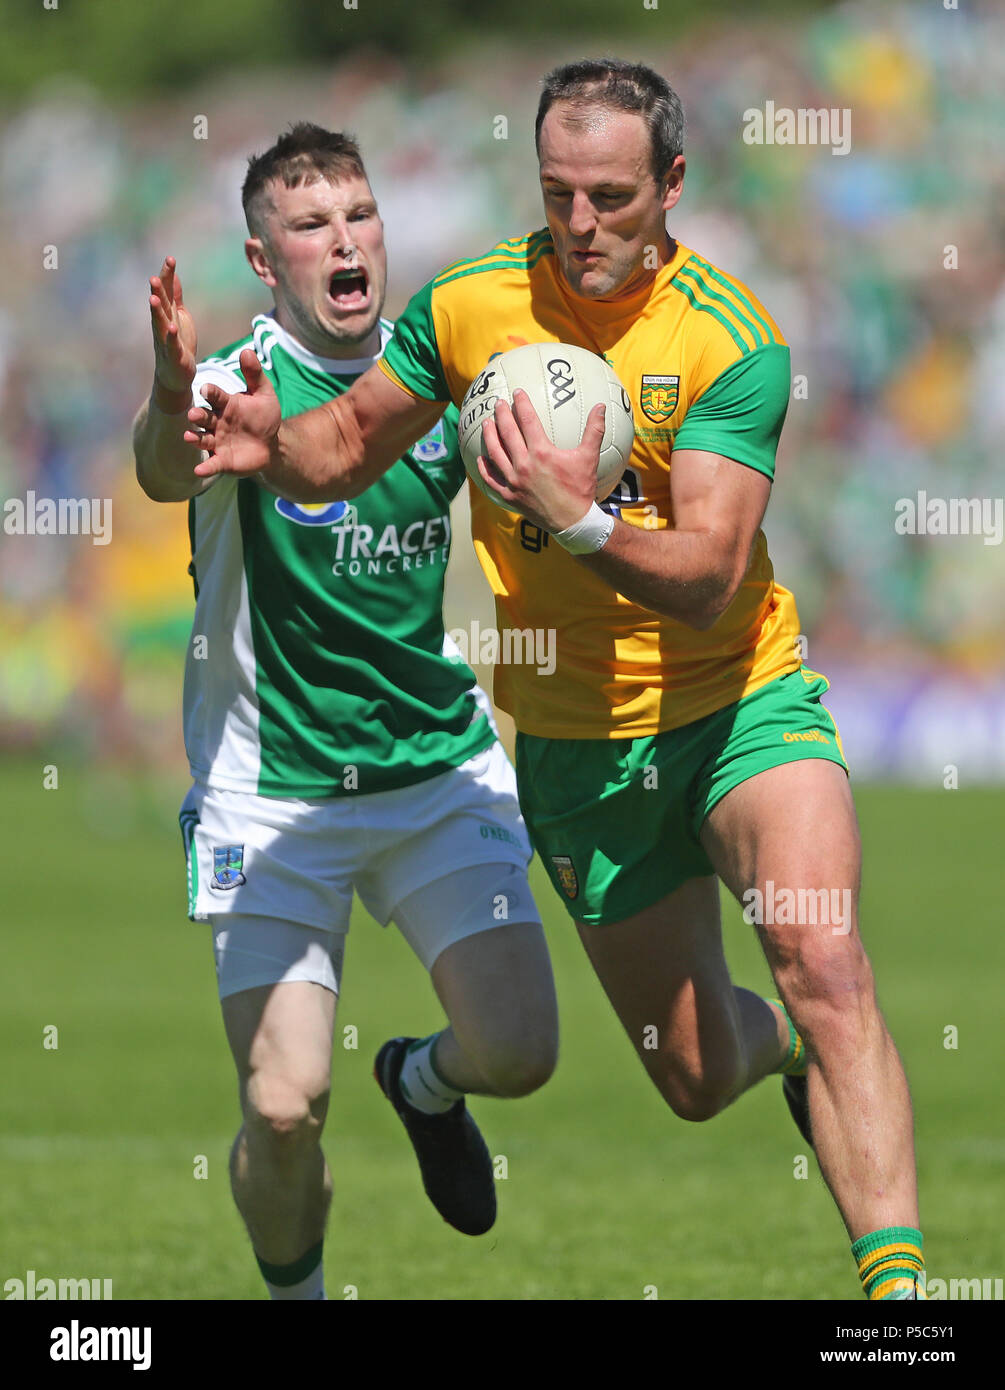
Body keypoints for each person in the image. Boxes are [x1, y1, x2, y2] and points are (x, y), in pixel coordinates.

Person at [186, 65, 926, 1301]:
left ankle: (904, 1309)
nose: (582, 224)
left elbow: (708, 574)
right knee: (692, 1076)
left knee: (824, 956)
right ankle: (779, 1058)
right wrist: (275, 450)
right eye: (558, 193)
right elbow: (342, 451)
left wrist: (577, 520)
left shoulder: (730, 339)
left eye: (614, 196)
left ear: (673, 187)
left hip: (738, 694)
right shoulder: (471, 305)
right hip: (581, 744)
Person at [133, 123, 558, 1301]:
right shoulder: (236, 385)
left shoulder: (434, 376)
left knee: (521, 1054)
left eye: (360, 215)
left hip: (433, 773)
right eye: (312, 224)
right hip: (272, 797)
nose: (345, 239)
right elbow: (166, 467)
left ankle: (421, 1081)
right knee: (281, 1106)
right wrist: (175, 390)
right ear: (268, 262)